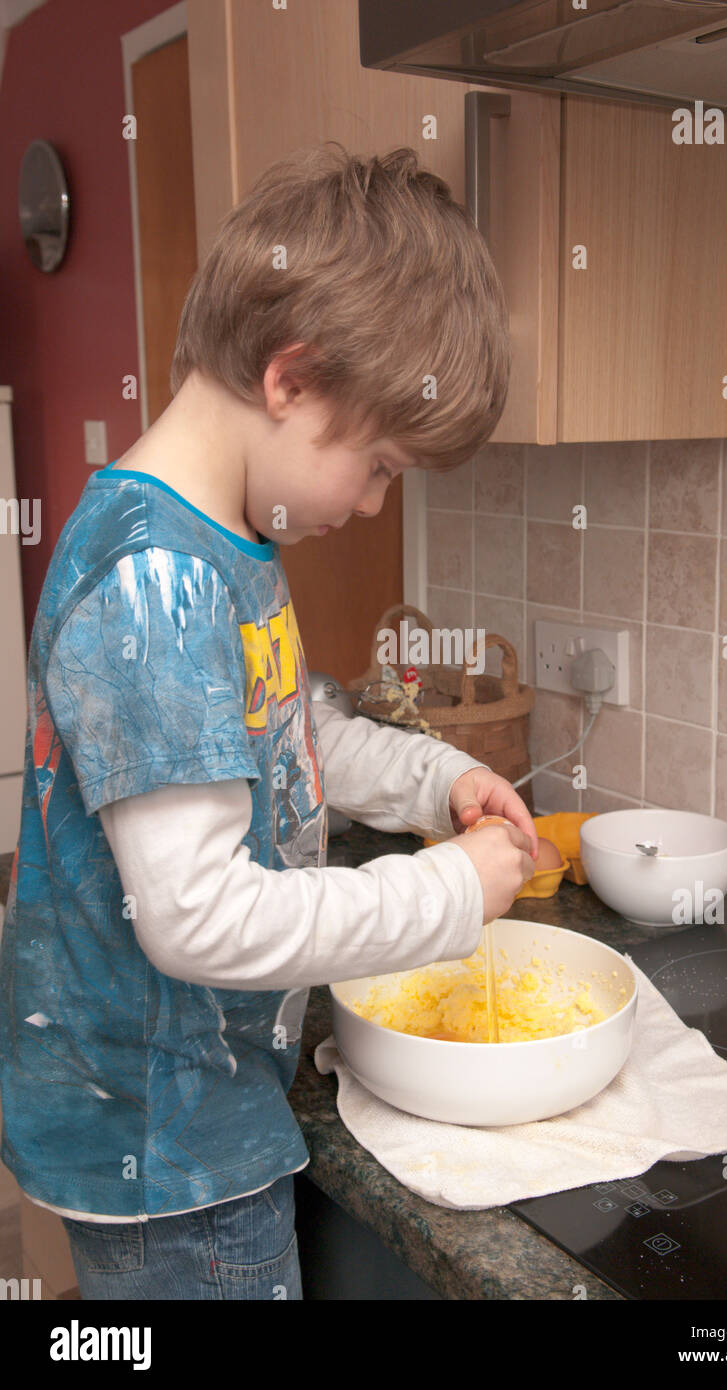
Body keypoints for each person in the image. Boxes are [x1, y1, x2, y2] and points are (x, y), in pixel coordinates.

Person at [0, 144, 538, 1300]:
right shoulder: (156, 583)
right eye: (380, 464)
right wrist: (449, 893)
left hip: (199, 1102)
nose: (373, 502)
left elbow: (291, 732)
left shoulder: (224, 547)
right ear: (290, 381)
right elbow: (193, 918)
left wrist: (430, 777)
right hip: (166, 1141)